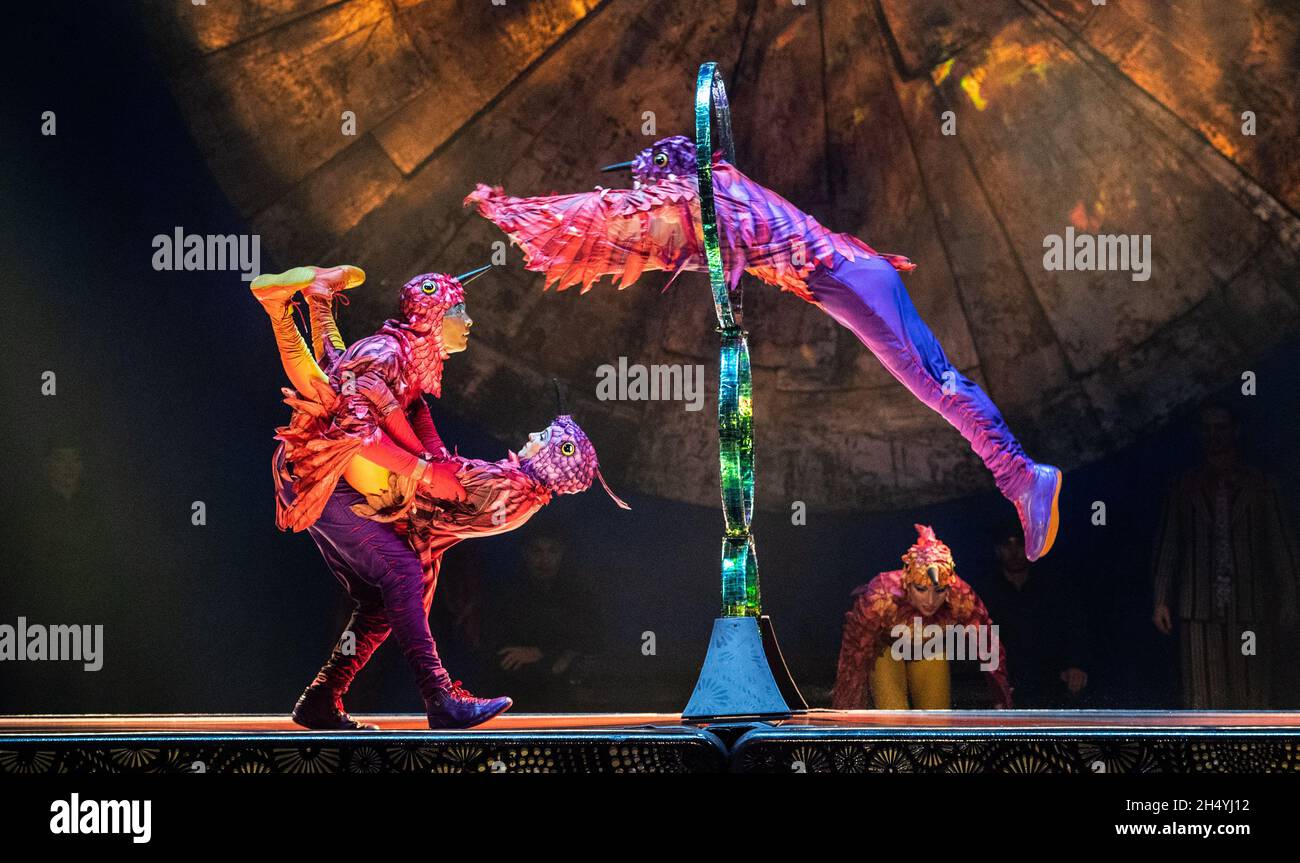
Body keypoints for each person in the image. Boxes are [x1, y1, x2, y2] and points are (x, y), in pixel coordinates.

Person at [468, 135, 1061, 562]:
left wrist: (721, 304)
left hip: (852, 281)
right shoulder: (721, 190)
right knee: (936, 383)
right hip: (851, 282)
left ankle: (1021, 476)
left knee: (936, 385)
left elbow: (726, 246)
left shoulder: (715, 196)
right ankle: (1019, 478)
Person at [1151, 400, 1297, 708]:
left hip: (1249, 604)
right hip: (1198, 606)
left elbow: (1280, 545)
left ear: (1235, 431)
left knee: (1251, 697)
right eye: (1207, 429)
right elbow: (1168, 547)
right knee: (1203, 699)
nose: (1214, 435)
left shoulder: (1261, 485)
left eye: (1221, 428)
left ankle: (1250, 755)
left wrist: (1289, 593)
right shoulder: (1183, 486)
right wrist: (1161, 598)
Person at [832, 525, 1010, 710]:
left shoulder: (961, 597)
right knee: (894, 718)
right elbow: (854, 655)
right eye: (921, 589)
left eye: (939, 591)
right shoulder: (882, 597)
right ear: (908, 583)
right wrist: (847, 710)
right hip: (886, 648)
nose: (931, 601)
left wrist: (1001, 700)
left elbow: (990, 648)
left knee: (937, 722)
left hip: (928, 647)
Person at [979, 520, 1091, 707]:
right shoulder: (985, 592)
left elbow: (1076, 627)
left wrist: (1077, 665)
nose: (1014, 552)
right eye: (1007, 544)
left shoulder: (1053, 586)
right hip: (1006, 682)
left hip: (1051, 680)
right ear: (997, 550)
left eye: (1020, 544)